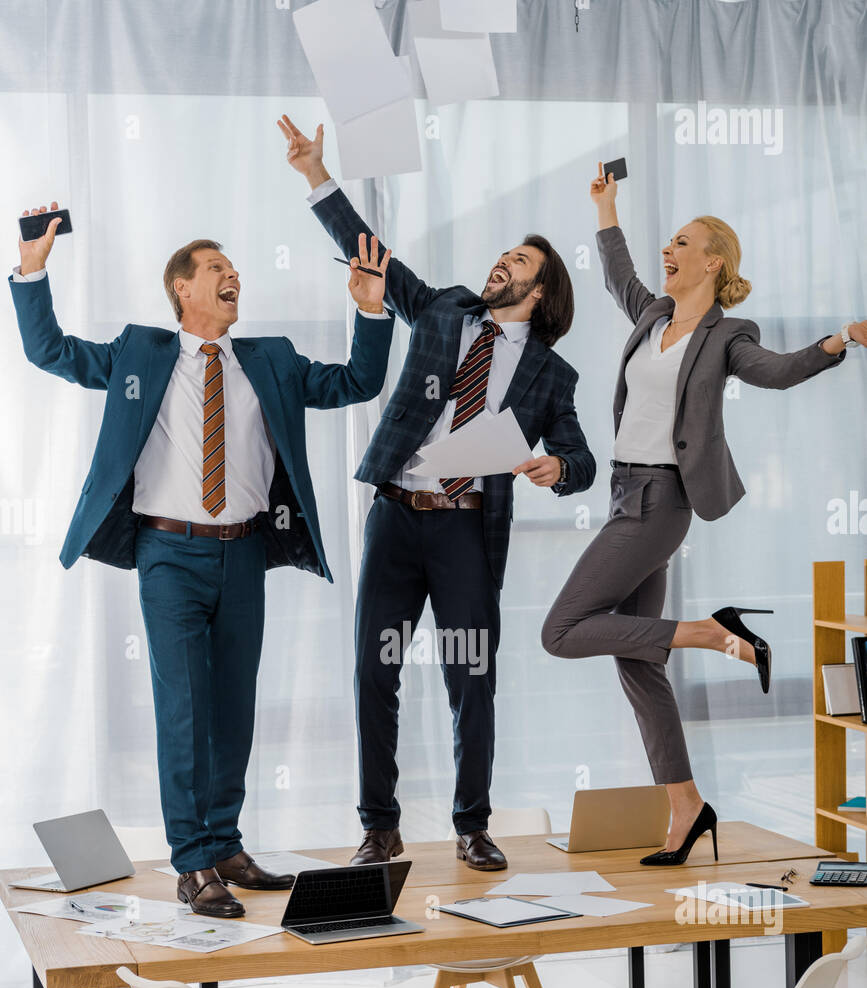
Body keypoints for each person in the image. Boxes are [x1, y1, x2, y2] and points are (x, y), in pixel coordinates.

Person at [10, 194, 393, 916]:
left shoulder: (269, 360)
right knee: (184, 708)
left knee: (232, 709)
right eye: (217, 267)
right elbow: (50, 352)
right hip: (167, 554)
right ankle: (191, 864)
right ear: (183, 288)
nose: (234, 276)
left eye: (236, 268)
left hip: (244, 554)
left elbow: (355, 383)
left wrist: (371, 310)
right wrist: (32, 269)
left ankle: (223, 844)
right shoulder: (139, 353)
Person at [279, 116, 596, 872]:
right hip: (396, 515)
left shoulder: (550, 375)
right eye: (500, 255)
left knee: (471, 681)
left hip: (464, 530)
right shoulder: (442, 308)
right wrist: (317, 176)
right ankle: (379, 828)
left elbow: (581, 457)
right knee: (372, 673)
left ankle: (471, 825)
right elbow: (371, 255)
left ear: (540, 289)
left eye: (514, 260)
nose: (498, 264)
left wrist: (561, 471)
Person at [541, 163, 867, 866]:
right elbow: (616, 272)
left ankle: (710, 632)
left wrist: (839, 340)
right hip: (624, 492)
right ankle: (686, 807)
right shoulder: (652, 313)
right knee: (636, 664)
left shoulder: (726, 335)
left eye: (681, 243)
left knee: (561, 631)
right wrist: (606, 206)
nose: (669, 250)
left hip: (660, 502)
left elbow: (777, 371)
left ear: (711, 261)